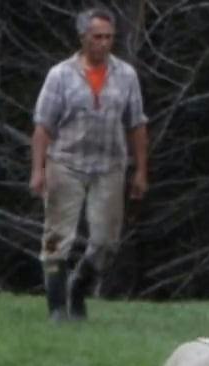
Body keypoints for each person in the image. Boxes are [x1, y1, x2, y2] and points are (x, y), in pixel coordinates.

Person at [31, 9, 151, 322]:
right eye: (97, 37)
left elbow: (137, 124)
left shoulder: (126, 75)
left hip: (109, 165)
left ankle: (78, 287)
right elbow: (43, 126)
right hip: (66, 162)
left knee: (106, 241)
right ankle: (57, 308)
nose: (103, 43)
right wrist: (38, 170)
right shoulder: (60, 75)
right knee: (57, 236)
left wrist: (140, 170)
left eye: (109, 37)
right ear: (83, 37)